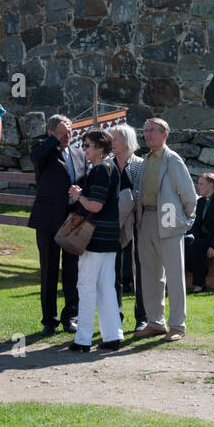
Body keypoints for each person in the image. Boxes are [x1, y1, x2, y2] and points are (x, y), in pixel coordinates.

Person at [133, 117, 198, 342]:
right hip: (147, 219)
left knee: (174, 275)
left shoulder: (172, 159)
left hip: (169, 222)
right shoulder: (144, 160)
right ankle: (155, 322)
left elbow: (189, 195)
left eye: (152, 130)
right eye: (146, 130)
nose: (148, 134)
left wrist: (187, 221)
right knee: (150, 275)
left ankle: (177, 325)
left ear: (164, 134)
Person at [28, 114, 86, 334]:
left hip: (72, 220)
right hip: (48, 220)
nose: (67, 136)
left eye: (70, 132)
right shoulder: (44, 151)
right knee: (49, 271)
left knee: (72, 271)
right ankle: (49, 320)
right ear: (51, 133)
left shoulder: (79, 154)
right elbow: (36, 155)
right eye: (63, 132)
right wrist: (55, 137)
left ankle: (70, 316)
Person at [67, 129, 122, 353]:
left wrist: (78, 196)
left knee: (87, 287)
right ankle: (112, 336)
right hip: (109, 238)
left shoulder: (100, 169)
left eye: (88, 145)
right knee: (106, 287)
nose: (85, 149)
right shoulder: (113, 167)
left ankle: (83, 340)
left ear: (100, 148)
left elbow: (95, 206)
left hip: (95, 237)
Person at [111, 125, 147, 332]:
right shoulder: (107, 164)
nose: (111, 142)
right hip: (113, 225)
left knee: (139, 272)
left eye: (114, 139)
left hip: (137, 225)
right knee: (112, 273)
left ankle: (141, 317)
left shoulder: (141, 165)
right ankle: (114, 315)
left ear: (125, 141)